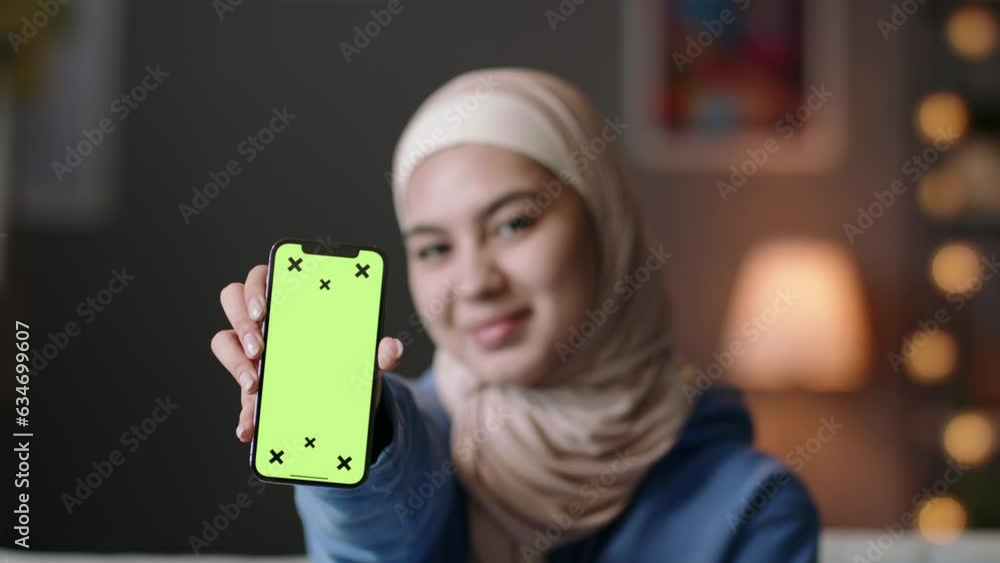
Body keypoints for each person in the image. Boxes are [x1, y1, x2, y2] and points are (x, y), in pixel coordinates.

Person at [212, 67, 820, 563]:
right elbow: (372, 535)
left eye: (514, 222)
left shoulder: (754, 507)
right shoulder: (414, 440)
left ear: (607, 228)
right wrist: (359, 427)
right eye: (434, 248)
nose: (475, 281)